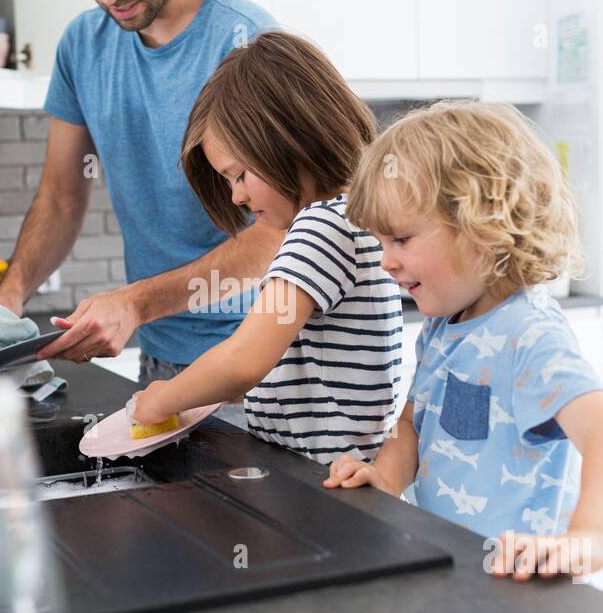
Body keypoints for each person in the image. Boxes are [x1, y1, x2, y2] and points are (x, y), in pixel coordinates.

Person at [323, 101, 603, 580]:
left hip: (517, 588)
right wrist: (384, 478)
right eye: (380, 243)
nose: (386, 261)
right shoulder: (442, 324)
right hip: (454, 570)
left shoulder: (529, 334)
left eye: (402, 240)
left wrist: (588, 538)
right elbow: (412, 424)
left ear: (482, 226)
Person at [0, 0, 281, 386]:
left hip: (262, 357)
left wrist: (136, 304)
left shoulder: (248, 42)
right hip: (160, 358)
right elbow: (60, 198)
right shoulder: (82, 46)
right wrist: (7, 298)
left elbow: (277, 233)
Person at [128, 32, 403, 464]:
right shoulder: (359, 216)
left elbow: (245, 360)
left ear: (287, 140)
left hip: (318, 481)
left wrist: (165, 398)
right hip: (344, 471)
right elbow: (294, 364)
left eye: (239, 175)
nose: (236, 197)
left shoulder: (319, 227)